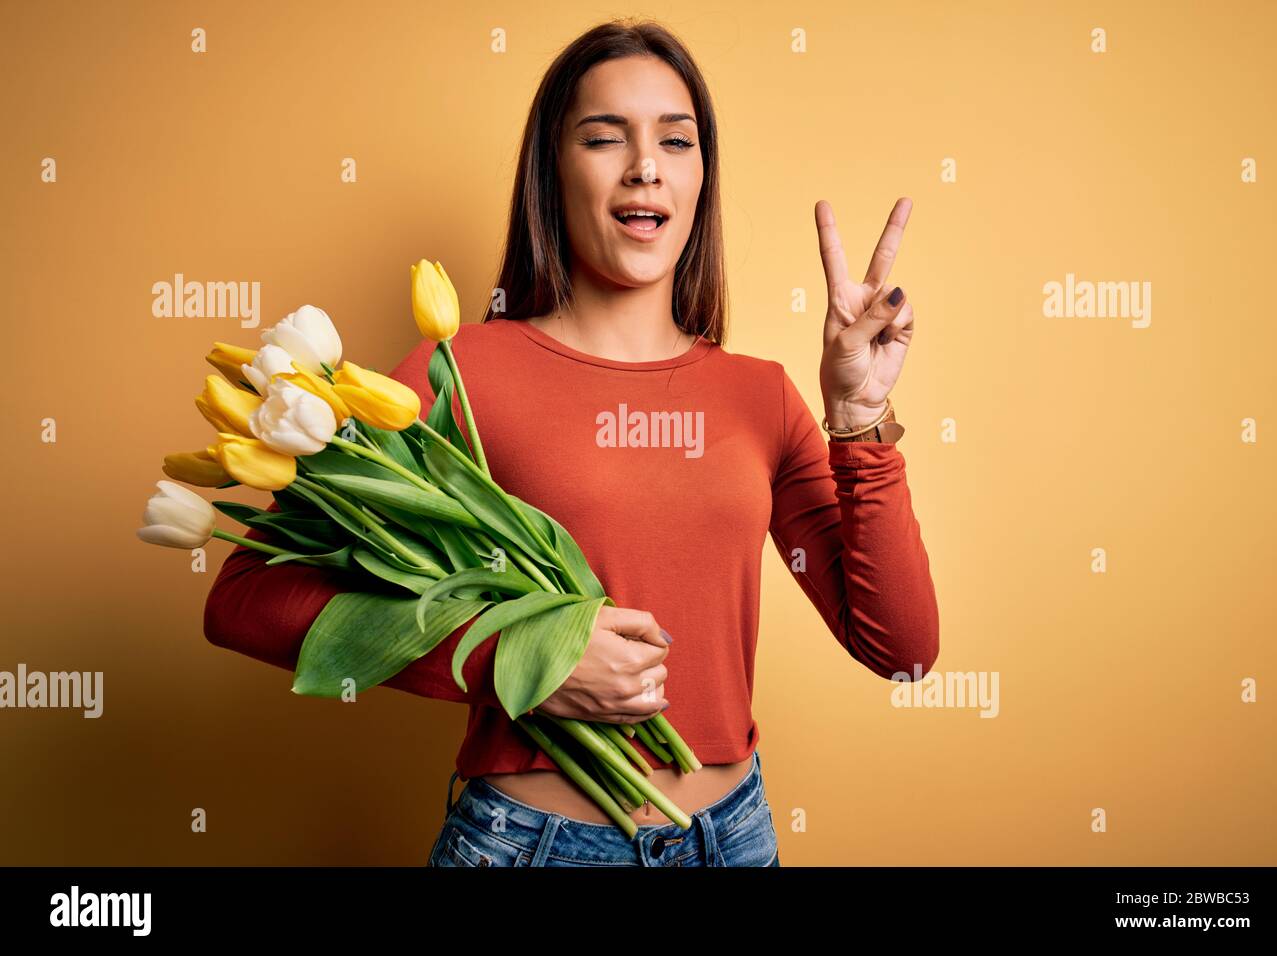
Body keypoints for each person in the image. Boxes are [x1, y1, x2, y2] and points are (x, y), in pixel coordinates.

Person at [203, 17, 940, 868]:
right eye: (603, 137)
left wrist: (857, 419)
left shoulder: (758, 395)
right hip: (532, 847)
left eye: (677, 138)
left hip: (735, 839)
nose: (645, 165)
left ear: (701, 177)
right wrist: (521, 657)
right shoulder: (459, 373)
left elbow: (904, 653)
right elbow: (243, 599)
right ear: (553, 172)